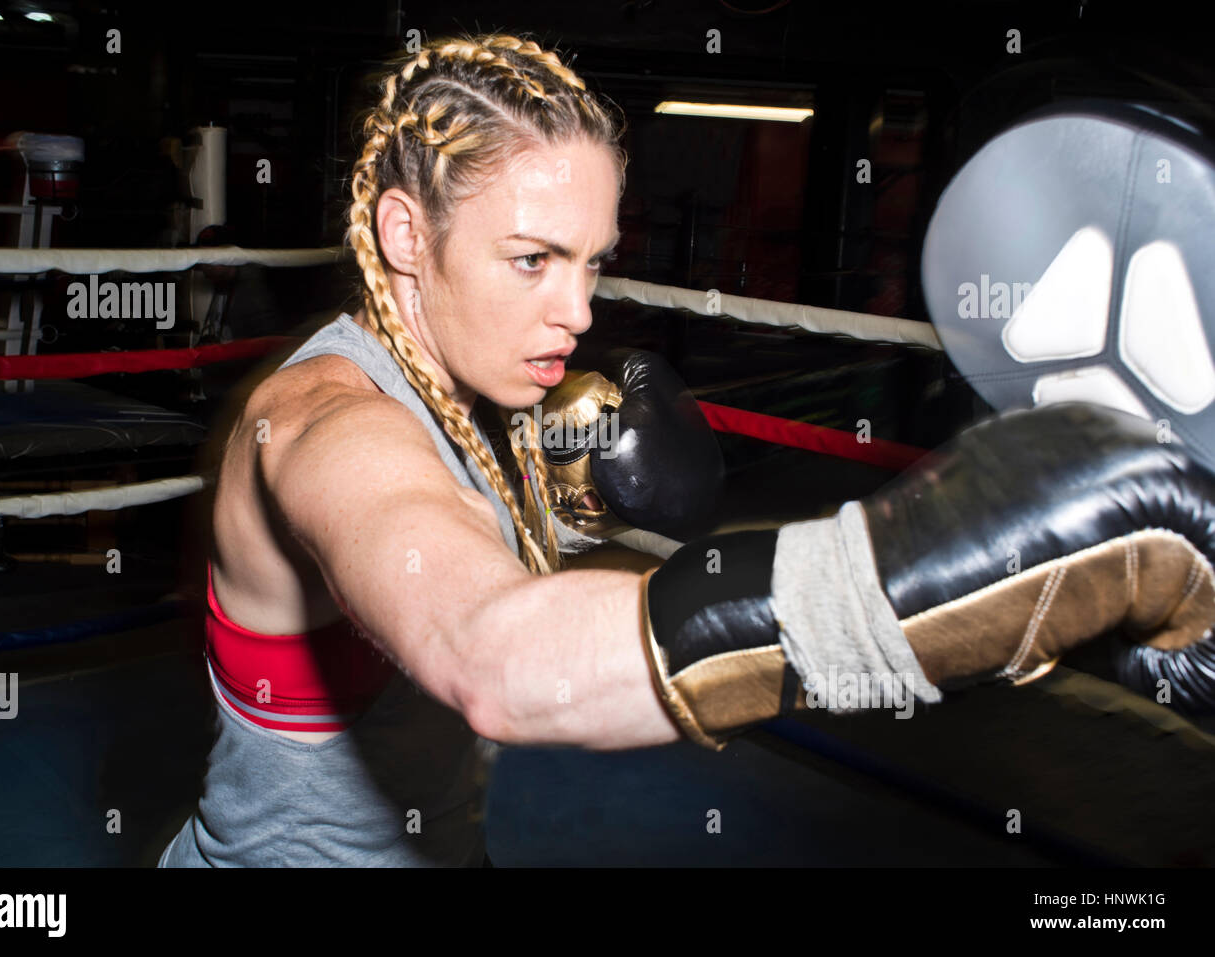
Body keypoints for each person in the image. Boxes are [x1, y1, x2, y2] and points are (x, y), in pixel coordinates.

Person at [160, 32, 1215, 867]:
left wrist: (565, 515)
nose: (575, 311)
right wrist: (897, 581)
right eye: (530, 260)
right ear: (403, 235)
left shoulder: (487, 395)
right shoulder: (320, 427)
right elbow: (494, 656)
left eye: (591, 262)